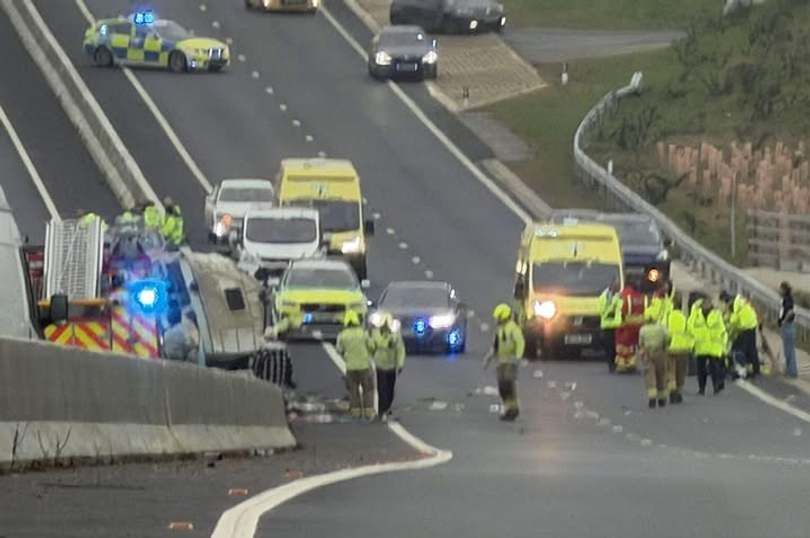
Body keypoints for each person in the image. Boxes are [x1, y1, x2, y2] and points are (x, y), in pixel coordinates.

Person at [483, 303, 525, 421]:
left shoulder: (512, 328)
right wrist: (488, 358)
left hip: (510, 362)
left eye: (498, 318)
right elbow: (495, 346)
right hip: (501, 362)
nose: (497, 320)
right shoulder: (500, 330)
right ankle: (508, 408)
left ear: (504, 317)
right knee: (502, 387)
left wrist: (517, 358)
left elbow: (520, 343)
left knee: (508, 386)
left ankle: (513, 409)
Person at [335, 311, 376, 420]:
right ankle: (368, 413)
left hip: (350, 367)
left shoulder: (342, 335)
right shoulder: (364, 334)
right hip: (364, 366)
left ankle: (355, 413)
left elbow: (339, 350)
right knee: (368, 389)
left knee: (353, 390)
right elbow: (372, 347)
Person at [688, 295, 728, 395]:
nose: (708, 304)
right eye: (706, 302)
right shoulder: (696, 314)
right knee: (701, 370)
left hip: (714, 347)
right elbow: (690, 327)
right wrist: (691, 344)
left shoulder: (716, 314)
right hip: (700, 346)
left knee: (715, 369)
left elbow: (722, 330)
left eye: (709, 302)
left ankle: (716, 386)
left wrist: (723, 345)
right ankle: (702, 388)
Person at [370, 314, 406, 420]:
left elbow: (400, 349)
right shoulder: (376, 333)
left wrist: (400, 364)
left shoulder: (395, 334)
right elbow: (373, 345)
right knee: (382, 389)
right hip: (380, 365)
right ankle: (382, 411)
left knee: (390, 390)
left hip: (391, 366)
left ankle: (387, 408)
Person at [719, 290, 760, 380]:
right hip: (751, 323)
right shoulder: (738, 300)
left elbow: (733, 321)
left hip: (745, 326)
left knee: (738, 348)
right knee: (751, 348)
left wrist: (727, 328)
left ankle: (742, 370)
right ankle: (755, 369)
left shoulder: (733, 305)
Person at [665, 290, 692, 404]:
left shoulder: (668, 317)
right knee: (681, 372)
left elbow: (663, 331)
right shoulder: (684, 318)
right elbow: (690, 332)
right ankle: (679, 392)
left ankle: (672, 389)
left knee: (670, 370)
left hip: (670, 348)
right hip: (683, 348)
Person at [638, 315, 670, 408]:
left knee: (650, 375)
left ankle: (652, 398)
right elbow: (668, 338)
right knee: (661, 374)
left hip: (648, 352)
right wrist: (664, 346)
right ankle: (661, 398)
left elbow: (641, 342)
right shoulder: (661, 328)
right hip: (659, 352)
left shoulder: (643, 329)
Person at [615, 280, 646, 372]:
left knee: (623, 345)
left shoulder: (626, 296)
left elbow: (623, 311)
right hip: (640, 324)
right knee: (634, 345)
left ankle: (622, 364)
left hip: (628, 324)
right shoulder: (643, 298)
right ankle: (632, 363)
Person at [598, 279, 622, 373]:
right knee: (609, 347)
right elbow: (602, 311)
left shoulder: (619, 296)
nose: (619, 288)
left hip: (617, 324)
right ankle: (611, 365)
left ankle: (617, 364)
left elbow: (620, 308)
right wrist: (612, 307)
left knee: (616, 347)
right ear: (612, 287)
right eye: (617, 286)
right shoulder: (603, 297)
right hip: (607, 325)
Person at [778, 281, 798, 379]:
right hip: (787, 325)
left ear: (783, 289)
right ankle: (789, 370)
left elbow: (790, 312)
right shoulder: (786, 298)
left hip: (788, 326)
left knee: (789, 350)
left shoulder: (788, 299)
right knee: (787, 350)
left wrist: (784, 321)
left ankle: (792, 372)